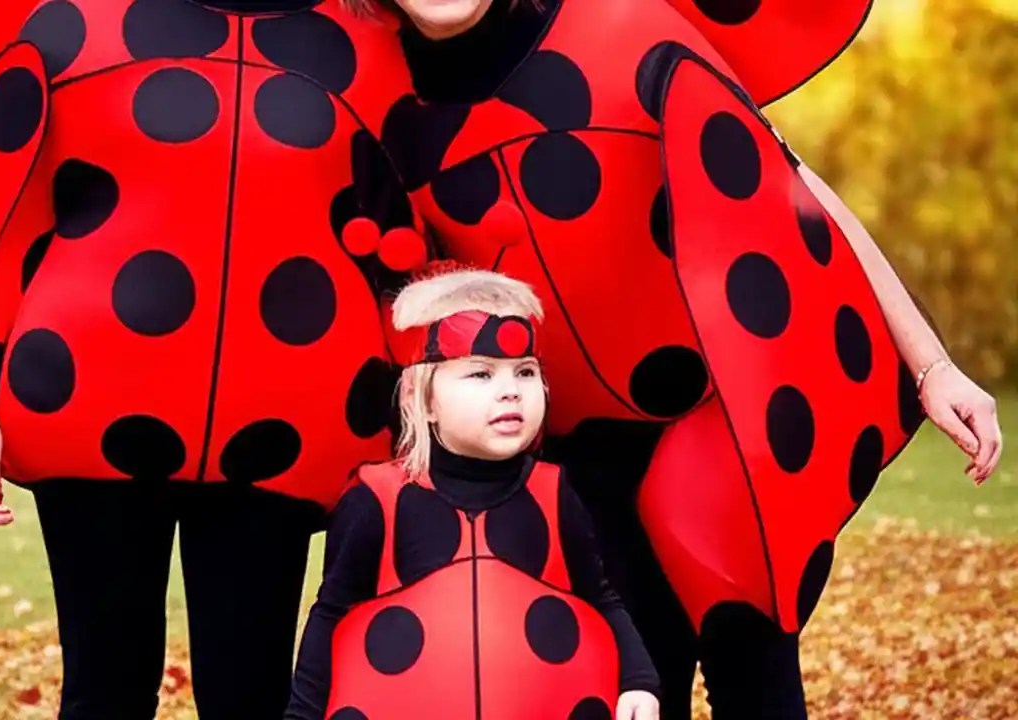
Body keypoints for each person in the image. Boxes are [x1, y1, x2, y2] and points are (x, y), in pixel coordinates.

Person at [342, 0, 1005, 717]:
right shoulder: (382, 102)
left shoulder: (624, 28)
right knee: (630, 690)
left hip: (715, 426)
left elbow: (793, 185)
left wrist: (932, 366)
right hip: (565, 456)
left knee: (754, 678)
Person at [0, 0, 427, 717]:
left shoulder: (369, 47)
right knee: (105, 692)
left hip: (284, 423)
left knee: (249, 695)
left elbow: (408, 245)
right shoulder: (72, 27)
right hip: (88, 408)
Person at [285, 265, 662, 720]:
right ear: (420, 401)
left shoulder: (553, 492)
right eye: (481, 375)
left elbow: (600, 597)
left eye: (524, 372)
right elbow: (331, 617)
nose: (510, 392)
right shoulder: (377, 502)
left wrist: (639, 681)